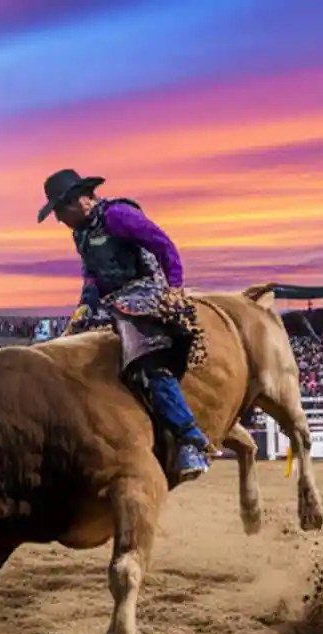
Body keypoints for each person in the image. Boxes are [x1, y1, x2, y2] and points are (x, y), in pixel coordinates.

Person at [37, 168, 212, 481]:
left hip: (145, 290)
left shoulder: (118, 215)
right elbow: (92, 277)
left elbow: (163, 245)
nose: (59, 220)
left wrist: (174, 286)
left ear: (79, 202)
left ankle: (191, 439)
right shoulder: (80, 234)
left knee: (146, 356)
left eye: (60, 212)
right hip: (109, 302)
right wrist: (82, 310)